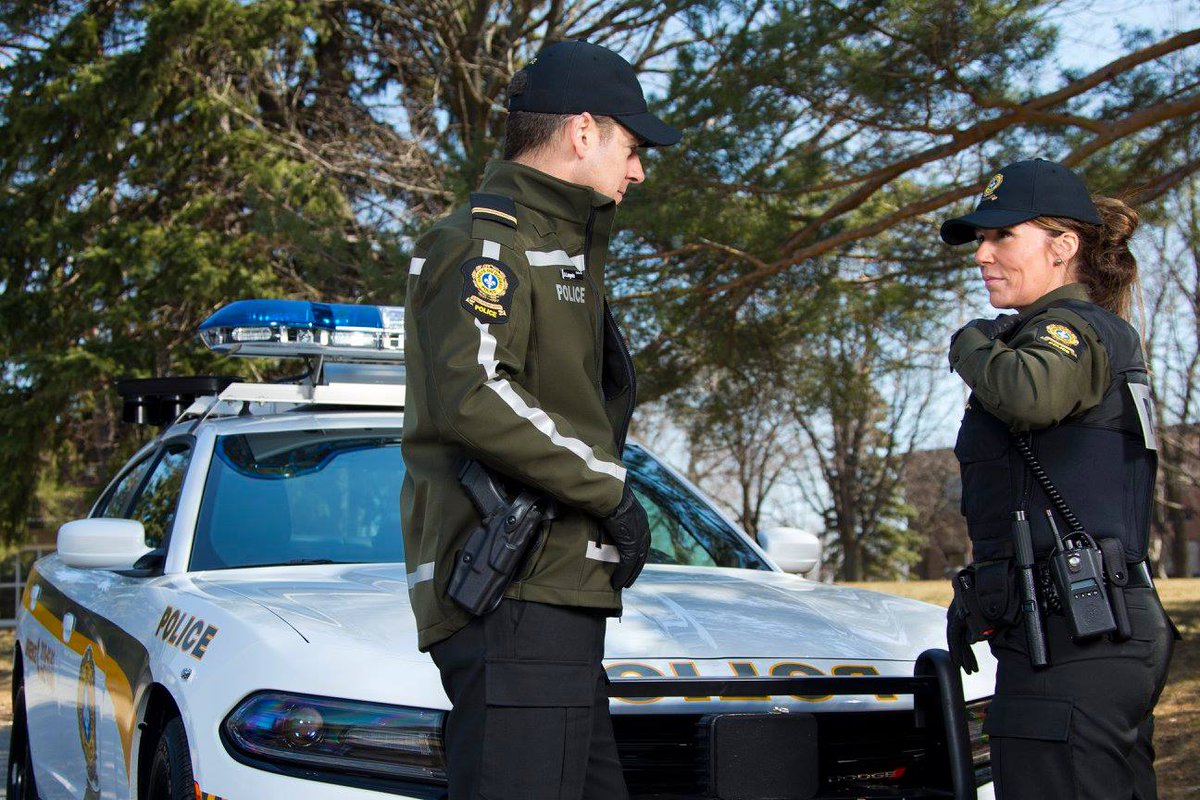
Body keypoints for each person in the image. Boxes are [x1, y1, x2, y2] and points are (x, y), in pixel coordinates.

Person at [400, 39, 680, 800]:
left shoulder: (554, 249)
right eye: (632, 147)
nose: (638, 170)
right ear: (582, 132)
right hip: (512, 593)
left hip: (553, 592)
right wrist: (610, 492)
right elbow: (475, 396)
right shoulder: (486, 244)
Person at [942, 158, 1178, 800]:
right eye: (978, 240)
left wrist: (969, 342)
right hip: (1074, 631)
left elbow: (1028, 395)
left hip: (1079, 639)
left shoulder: (1067, 329)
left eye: (1001, 237)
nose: (982, 255)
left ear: (1063, 246)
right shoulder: (1057, 333)